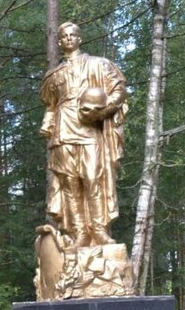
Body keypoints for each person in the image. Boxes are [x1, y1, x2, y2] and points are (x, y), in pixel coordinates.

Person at [40, 22, 127, 247]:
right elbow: (50, 106)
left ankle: (98, 229)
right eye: (64, 36)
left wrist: (106, 109)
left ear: (80, 38)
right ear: (59, 42)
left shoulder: (99, 64)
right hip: (63, 131)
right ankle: (79, 232)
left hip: (89, 129)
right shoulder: (53, 75)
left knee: (93, 178)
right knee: (70, 183)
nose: (69, 39)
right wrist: (47, 124)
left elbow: (119, 88)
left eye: (73, 35)